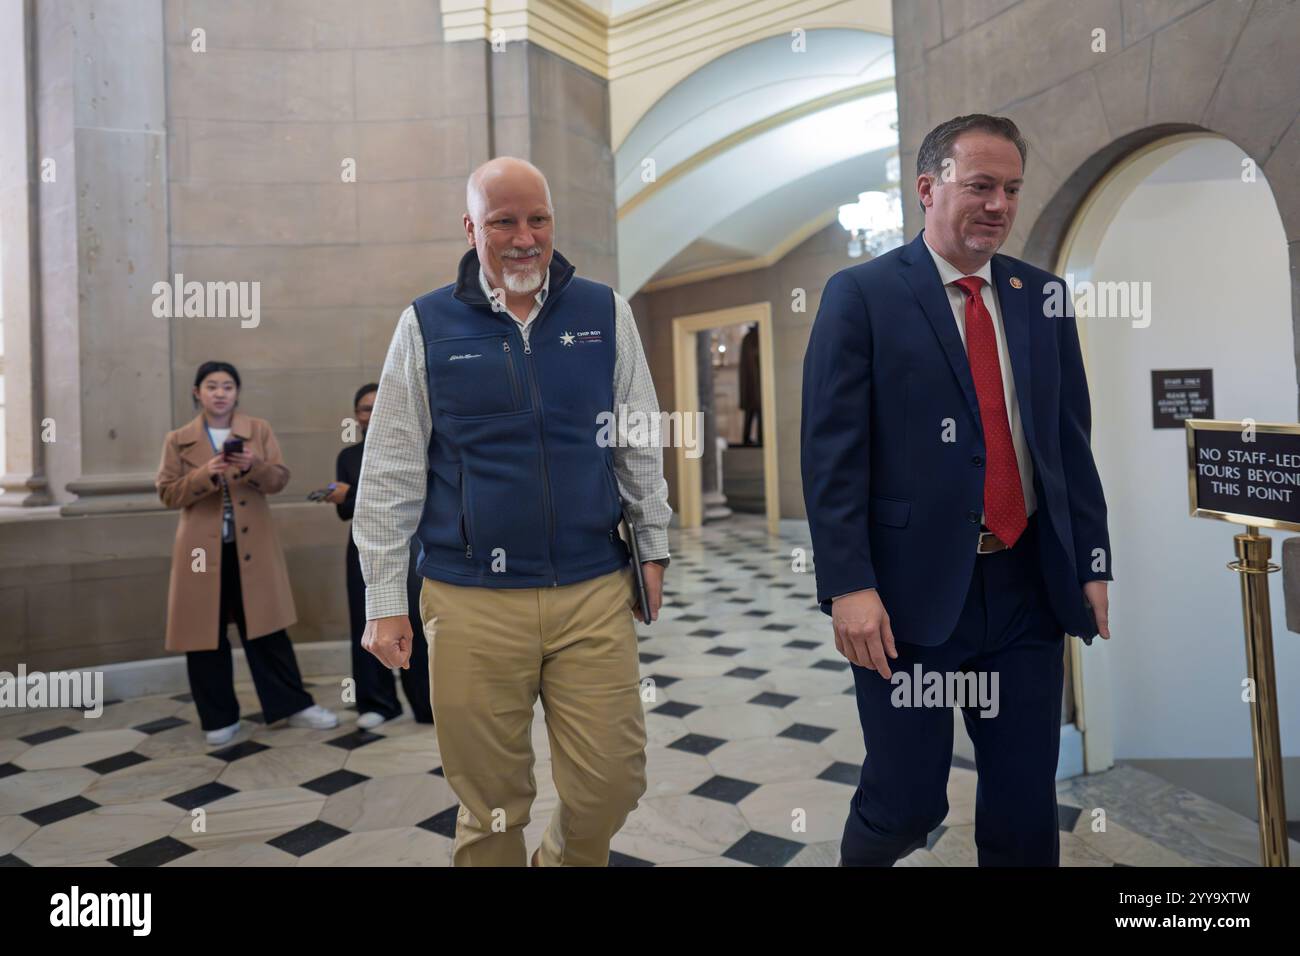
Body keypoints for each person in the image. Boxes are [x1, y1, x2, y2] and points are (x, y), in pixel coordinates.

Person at [800, 114, 1113, 867]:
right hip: (907, 602)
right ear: (927, 188)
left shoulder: (1041, 295)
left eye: (1011, 189)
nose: (1000, 204)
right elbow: (831, 455)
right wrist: (848, 585)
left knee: (1024, 799)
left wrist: (1092, 562)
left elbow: (1069, 444)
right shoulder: (863, 294)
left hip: (1026, 585)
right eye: (980, 186)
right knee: (905, 798)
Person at [353, 156, 672, 866]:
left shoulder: (603, 312)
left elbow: (638, 441)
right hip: (469, 600)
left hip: (591, 587)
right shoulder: (427, 323)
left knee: (611, 786)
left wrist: (652, 547)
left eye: (538, 218)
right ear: (472, 229)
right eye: (504, 221)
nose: (524, 237)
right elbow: (391, 470)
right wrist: (384, 598)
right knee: (492, 806)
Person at [156, 361, 338, 746]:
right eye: (211, 386)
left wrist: (254, 465)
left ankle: (293, 706)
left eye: (227, 386)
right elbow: (168, 494)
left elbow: (279, 481)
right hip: (200, 556)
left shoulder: (259, 430)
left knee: (268, 630)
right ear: (197, 392)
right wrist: (207, 472)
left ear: (237, 392)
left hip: (252, 548)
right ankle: (218, 716)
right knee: (203, 635)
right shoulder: (178, 439)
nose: (220, 393)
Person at [323, 382, 432, 729]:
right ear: (356, 416)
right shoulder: (349, 457)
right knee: (367, 621)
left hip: (410, 545)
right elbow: (346, 513)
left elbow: (413, 498)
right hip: (362, 548)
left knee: (414, 622)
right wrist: (345, 498)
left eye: (376, 405)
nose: (370, 413)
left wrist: (349, 494)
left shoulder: (410, 448)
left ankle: (426, 704)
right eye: (364, 408)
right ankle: (379, 703)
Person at [739, 323, 761, 445]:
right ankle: (748, 439)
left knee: (757, 414)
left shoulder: (750, 338)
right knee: (751, 413)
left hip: (754, 385)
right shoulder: (750, 339)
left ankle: (760, 439)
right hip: (752, 386)